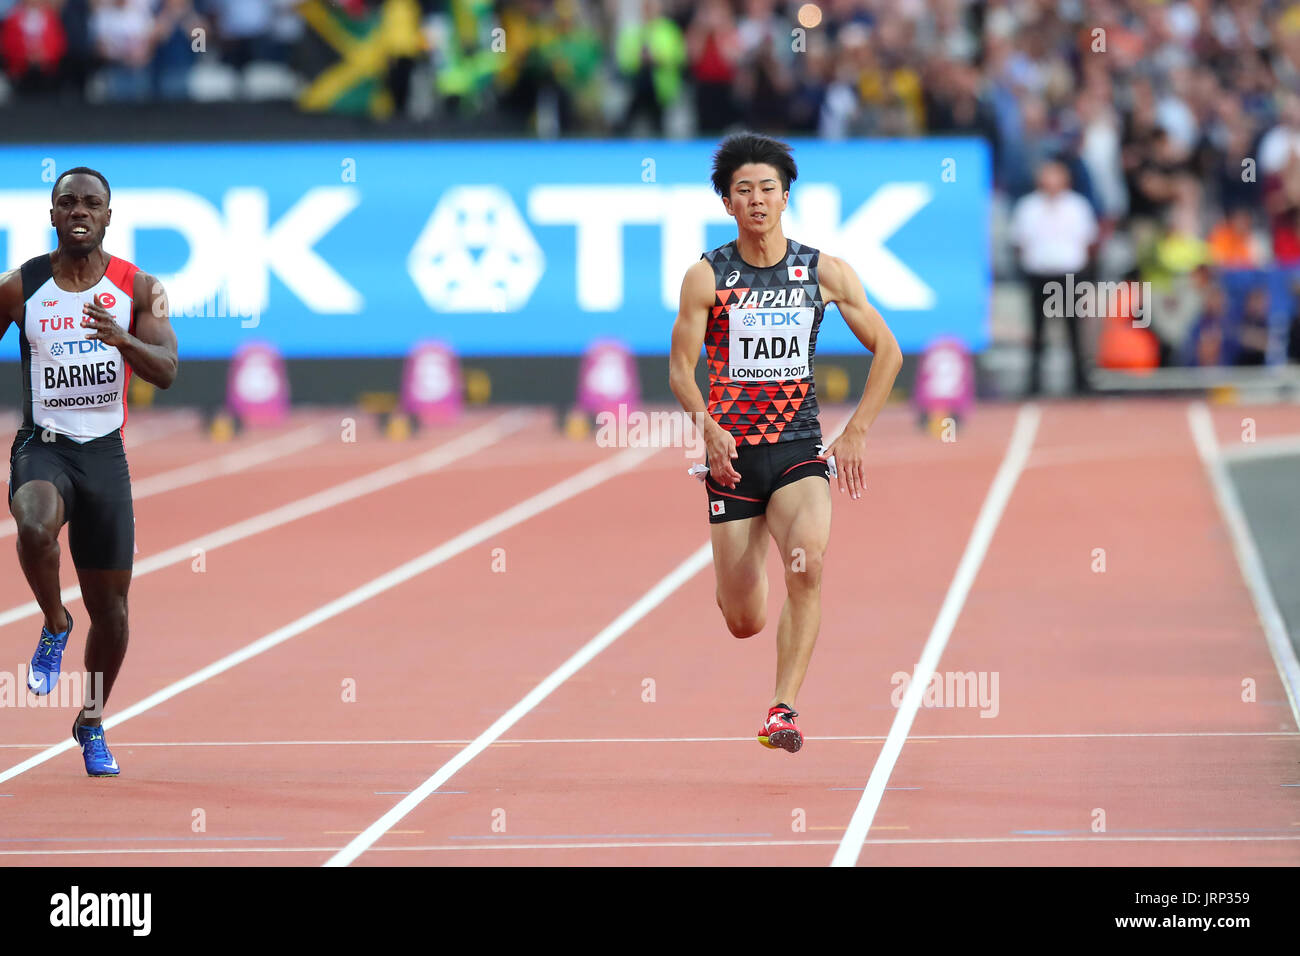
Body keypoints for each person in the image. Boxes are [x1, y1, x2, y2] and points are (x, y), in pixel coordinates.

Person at [669, 133, 902, 754]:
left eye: (767, 188)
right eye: (743, 190)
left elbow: (889, 350)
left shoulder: (822, 271)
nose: (757, 200)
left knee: (810, 564)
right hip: (733, 458)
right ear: (727, 203)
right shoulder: (706, 276)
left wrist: (855, 432)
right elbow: (679, 369)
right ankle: (744, 574)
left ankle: (783, 710)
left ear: (786, 195)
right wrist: (707, 425)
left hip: (799, 448)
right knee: (744, 620)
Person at [0, 168, 179, 776]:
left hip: (104, 455)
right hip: (43, 446)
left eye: (92, 203)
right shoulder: (19, 286)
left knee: (114, 613)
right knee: (32, 526)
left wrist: (123, 341)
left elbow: (168, 370)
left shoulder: (142, 288)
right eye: (67, 201)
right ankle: (53, 620)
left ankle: (92, 720)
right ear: (51, 215)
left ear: (108, 216)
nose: (79, 210)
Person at [1009, 158, 1098, 395]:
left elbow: (1089, 243)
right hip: (1038, 276)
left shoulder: (1078, 206)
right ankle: (1034, 383)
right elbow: (1018, 243)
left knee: (1075, 331)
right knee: (1037, 332)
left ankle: (1081, 382)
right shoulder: (1027, 207)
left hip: (1070, 276)